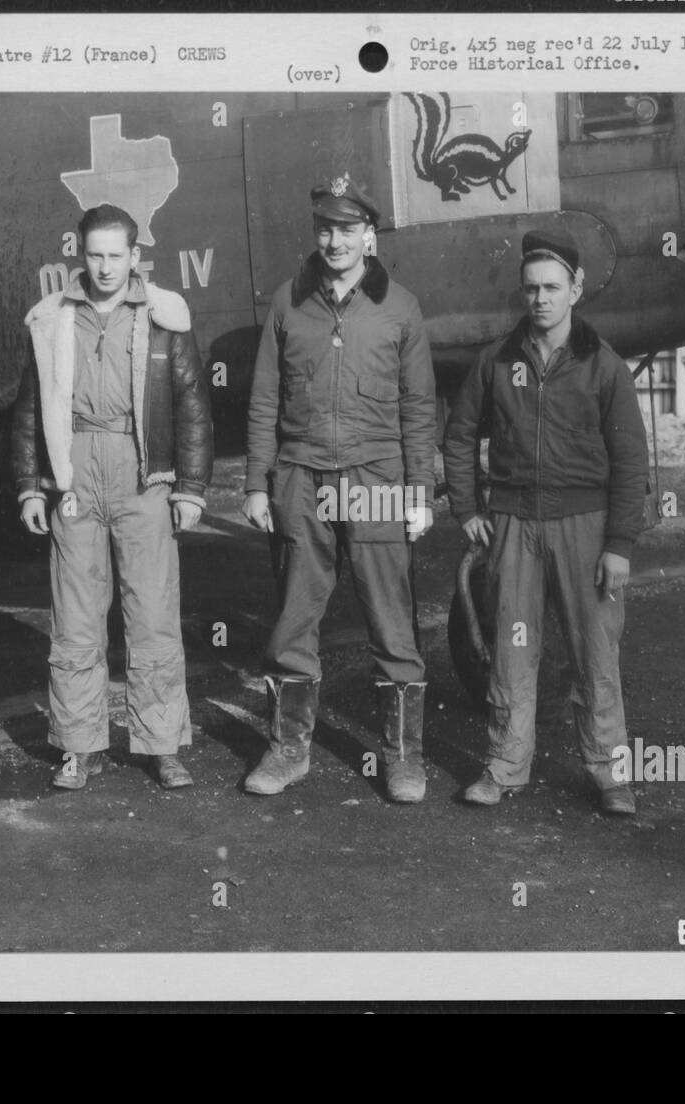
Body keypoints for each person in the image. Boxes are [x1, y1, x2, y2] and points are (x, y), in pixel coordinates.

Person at [242, 173, 436, 802]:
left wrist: (419, 494)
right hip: (301, 475)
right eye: (325, 229)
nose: (334, 241)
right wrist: (254, 483)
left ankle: (403, 760)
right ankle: (288, 749)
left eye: (347, 230)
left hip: (377, 478)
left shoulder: (400, 307)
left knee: (391, 619)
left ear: (369, 237)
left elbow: (418, 406)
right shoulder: (286, 303)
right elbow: (264, 398)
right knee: (295, 619)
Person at [443, 230, 649, 814]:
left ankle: (610, 774)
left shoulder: (604, 367)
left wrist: (619, 545)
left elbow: (632, 460)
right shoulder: (495, 362)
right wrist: (466, 509)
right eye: (531, 288)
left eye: (553, 288)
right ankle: (505, 767)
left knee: (595, 653)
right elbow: (458, 436)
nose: (541, 299)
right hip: (512, 527)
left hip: (586, 527)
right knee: (513, 651)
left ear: (576, 290)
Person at [12, 203, 212, 790]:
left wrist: (192, 488)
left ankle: (161, 744)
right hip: (74, 475)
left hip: (142, 476)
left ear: (134, 256)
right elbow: (28, 408)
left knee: (151, 614)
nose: (104, 267)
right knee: (75, 620)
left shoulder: (164, 317)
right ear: (78, 253)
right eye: (93, 254)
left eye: (115, 255)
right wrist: (30, 486)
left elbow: (193, 406)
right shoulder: (51, 320)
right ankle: (80, 746)